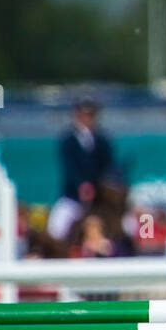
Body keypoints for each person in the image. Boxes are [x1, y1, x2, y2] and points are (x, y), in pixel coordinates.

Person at [47, 95, 115, 241]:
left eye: (91, 115)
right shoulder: (68, 141)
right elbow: (70, 167)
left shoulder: (103, 140)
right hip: (73, 197)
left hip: (99, 198)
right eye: (84, 114)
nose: (87, 118)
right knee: (56, 228)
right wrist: (81, 184)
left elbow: (108, 166)